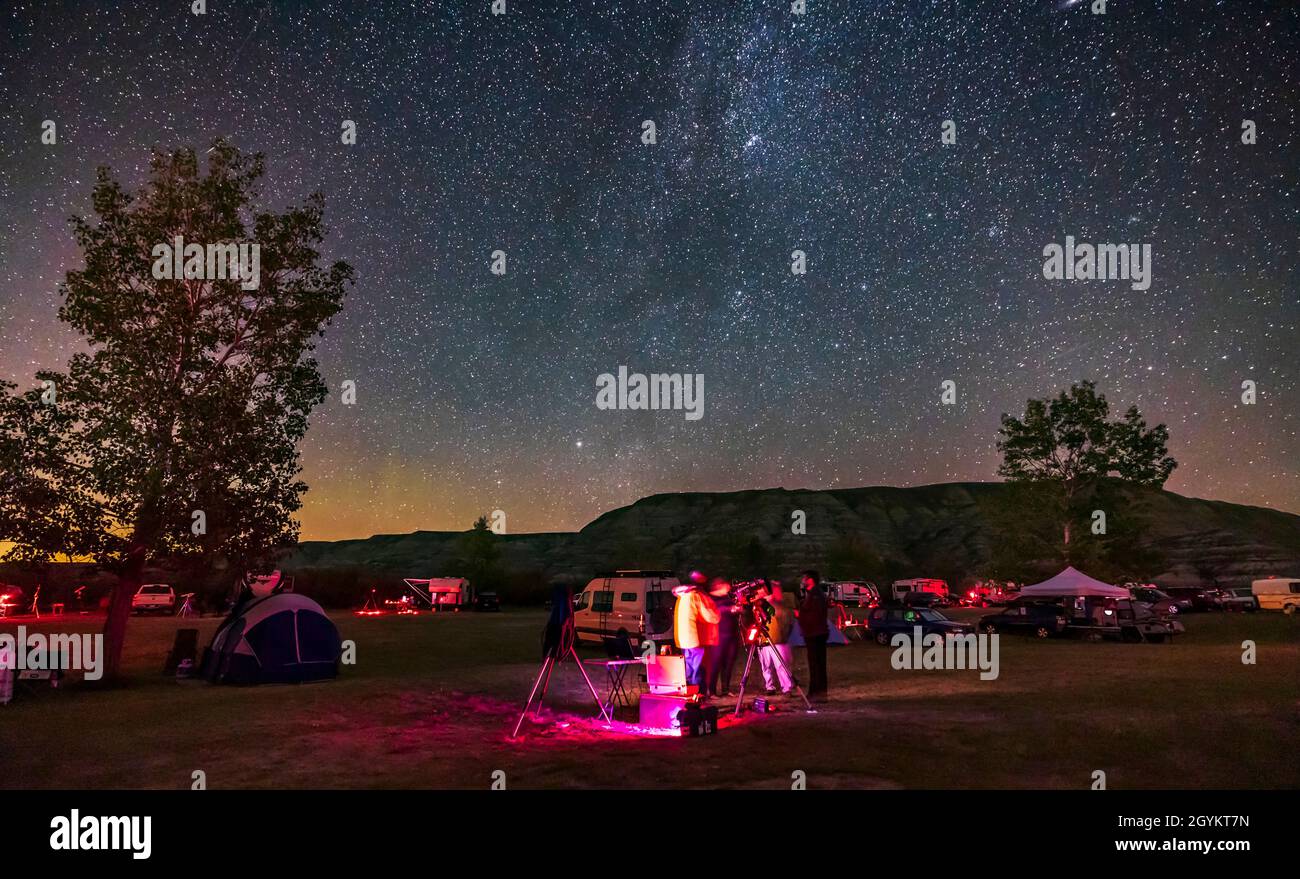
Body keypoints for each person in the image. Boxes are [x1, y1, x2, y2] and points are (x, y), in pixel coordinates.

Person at [673, 578, 719, 696]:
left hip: (682, 639)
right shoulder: (695, 596)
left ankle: (689, 695)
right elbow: (709, 616)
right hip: (694, 638)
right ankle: (699, 697)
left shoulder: (681, 597)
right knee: (698, 669)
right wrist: (718, 614)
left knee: (688, 670)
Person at [760, 580, 797, 695]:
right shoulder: (760, 603)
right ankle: (770, 687)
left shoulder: (777, 603)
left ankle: (787, 688)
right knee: (766, 665)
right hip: (763, 639)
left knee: (781, 665)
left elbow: (786, 618)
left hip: (778, 639)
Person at [798, 570, 829, 698]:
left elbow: (814, 615)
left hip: (815, 634)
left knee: (816, 664)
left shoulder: (816, 595)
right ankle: (815, 692)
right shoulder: (813, 594)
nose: (803, 581)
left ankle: (818, 692)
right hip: (814, 633)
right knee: (816, 664)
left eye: (805, 578)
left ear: (810, 580)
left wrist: (800, 614)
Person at [709, 578, 740, 697]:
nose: (729, 587)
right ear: (719, 586)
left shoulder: (728, 598)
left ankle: (726, 689)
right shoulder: (712, 598)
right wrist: (729, 609)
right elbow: (715, 610)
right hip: (718, 635)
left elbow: (735, 610)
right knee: (716, 663)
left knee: (729, 662)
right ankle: (711, 691)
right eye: (726, 585)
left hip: (732, 634)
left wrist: (738, 610)